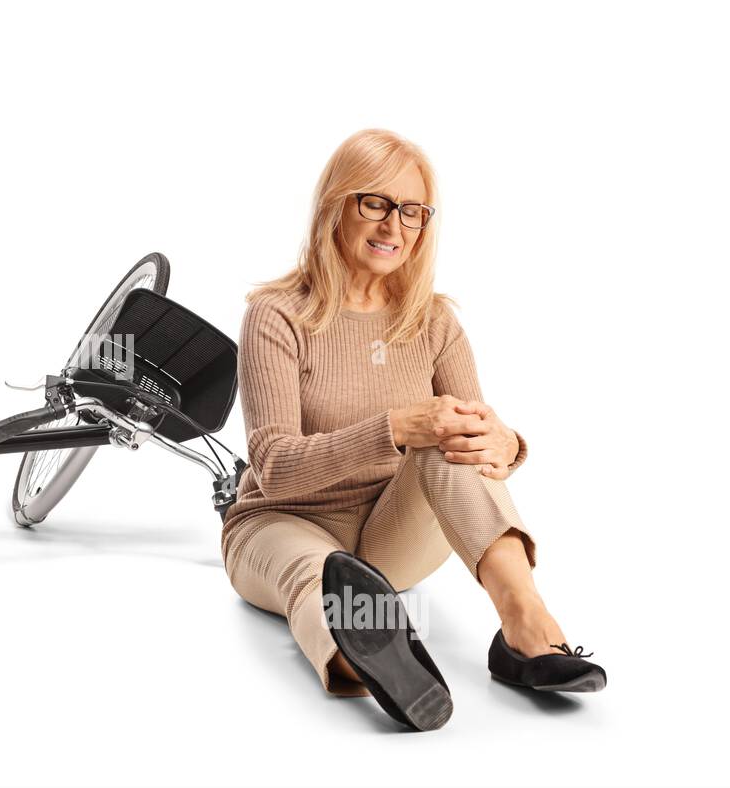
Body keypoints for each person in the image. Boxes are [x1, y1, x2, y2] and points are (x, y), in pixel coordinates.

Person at [220, 127, 588, 710]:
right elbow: (273, 469)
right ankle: (365, 657)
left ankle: (525, 622)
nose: (395, 226)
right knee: (318, 574)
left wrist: (505, 442)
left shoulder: (434, 322)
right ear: (335, 207)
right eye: (376, 203)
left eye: (412, 211)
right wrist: (392, 428)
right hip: (282, 524)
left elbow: (469, 443)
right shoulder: (277, 316)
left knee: (450, 433)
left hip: (391, 535)